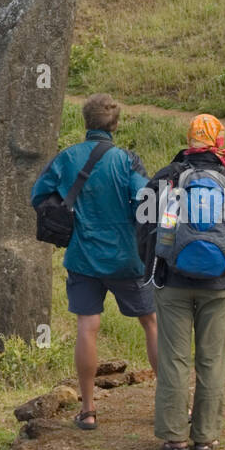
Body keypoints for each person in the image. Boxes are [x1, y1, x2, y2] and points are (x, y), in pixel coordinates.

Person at [31, 93, 157, 431]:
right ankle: (170, 402)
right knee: (151, 322)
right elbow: (146, 202)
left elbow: (38, 196)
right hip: (127, 258)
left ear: (86, 123)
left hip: (83, 257)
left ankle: (88, 411)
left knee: (87, 327)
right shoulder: (126, 160)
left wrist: (70, 216)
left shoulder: (67, 158)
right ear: (115, 126)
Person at [138, 114, 225, 450]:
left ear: (189, 140)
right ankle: (204, 437)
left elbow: (143, 225)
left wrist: (155, 261)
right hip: (218, 285)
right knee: (211, 359)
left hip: (171, 282)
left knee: (173, 358)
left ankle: (174, 437)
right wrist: (222, 256)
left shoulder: (166, 177)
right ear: (218, 139)